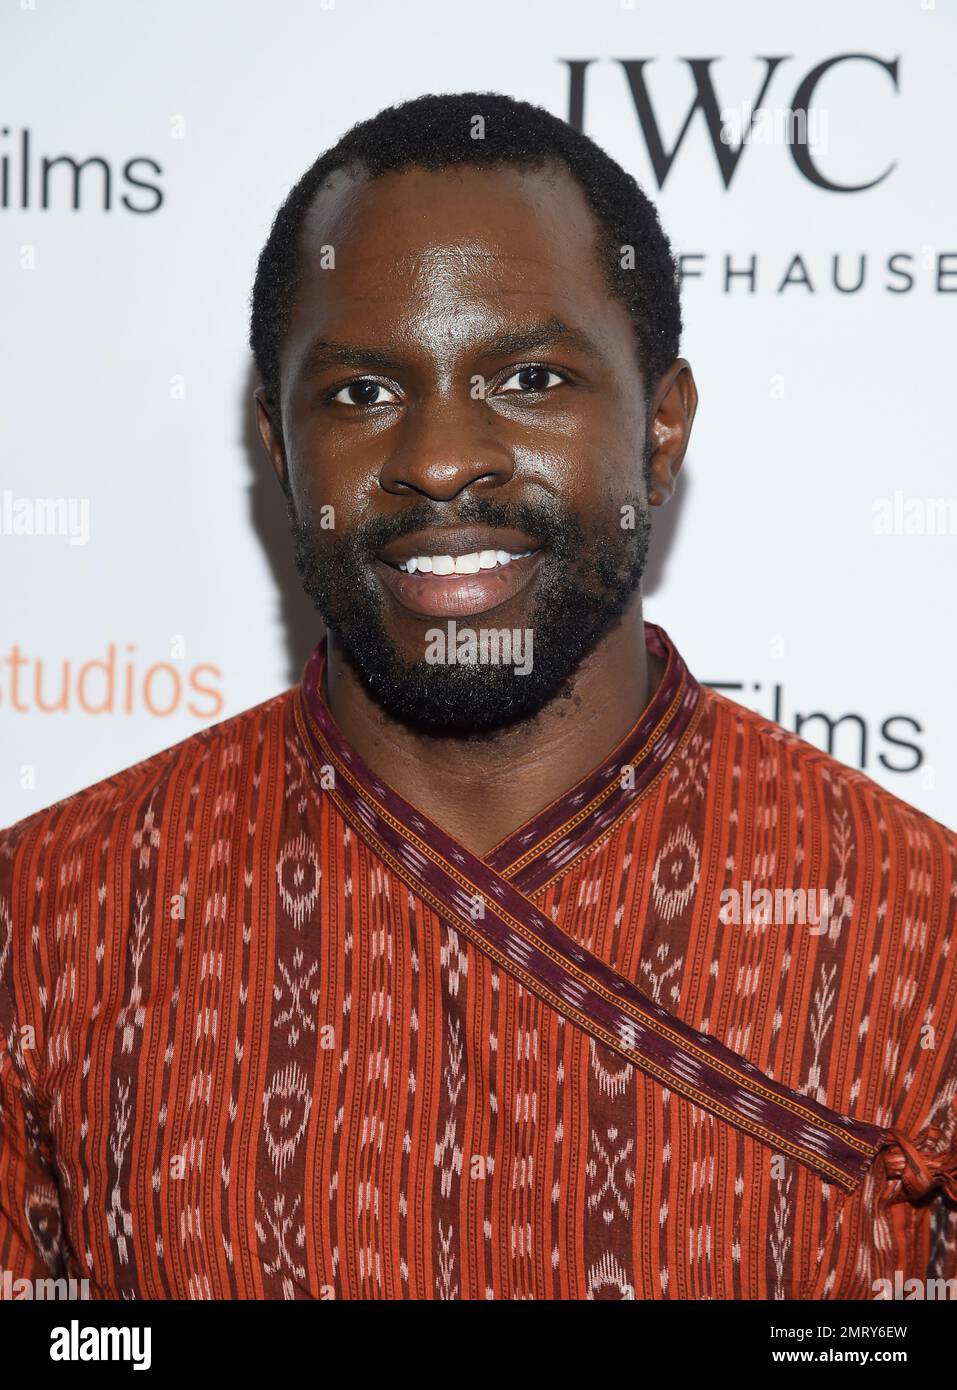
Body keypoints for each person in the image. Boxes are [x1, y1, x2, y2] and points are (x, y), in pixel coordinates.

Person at [1, 92, 955, 1301]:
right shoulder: (43, 927)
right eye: (360, 394)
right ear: (278, 447)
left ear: (663, 431)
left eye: (530, 375)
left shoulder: (925, 944)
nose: (442, 456)